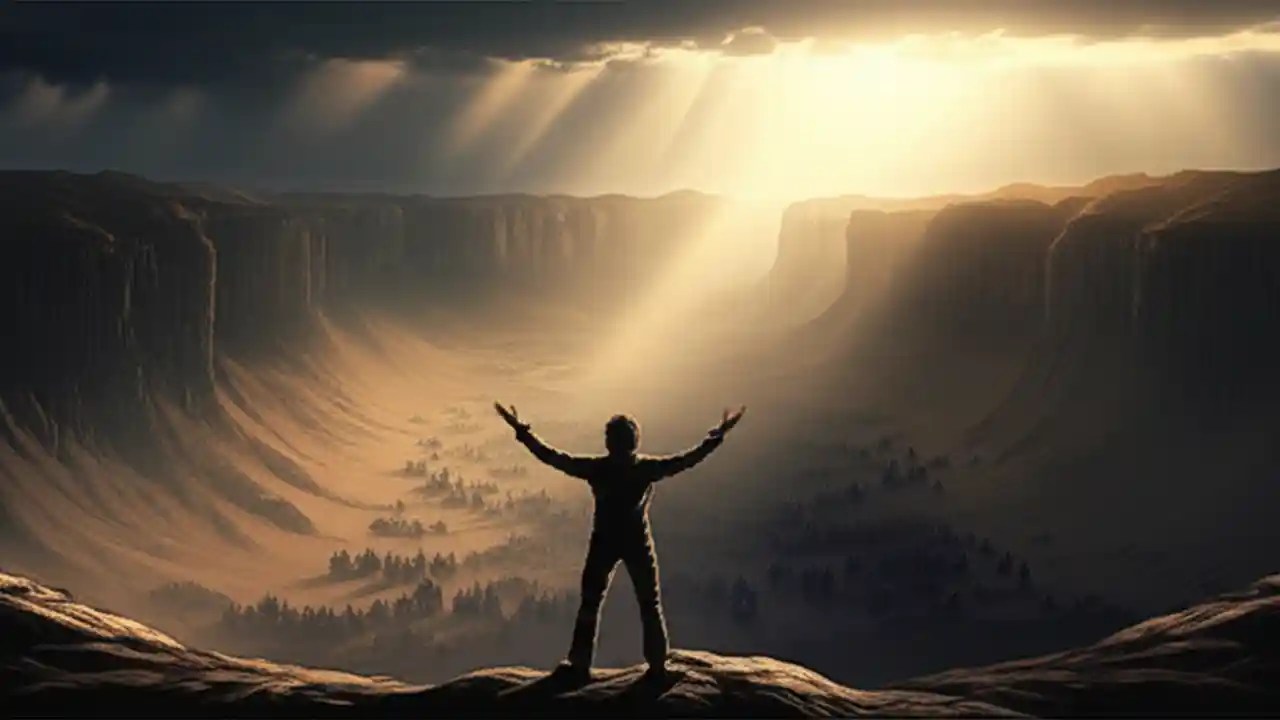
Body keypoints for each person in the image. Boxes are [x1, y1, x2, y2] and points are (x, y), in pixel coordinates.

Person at [494, 402, 745, 682]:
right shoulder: (646, 468)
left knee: (591, 602)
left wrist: (523, 433)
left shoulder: (597, 468)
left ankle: (579, 663)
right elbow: (686, 460)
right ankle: (657, 666)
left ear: (609, 442)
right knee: (649, 603)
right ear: (634, 441)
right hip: (638, 543)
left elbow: (553, 458)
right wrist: (715, 438)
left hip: (603, 542)